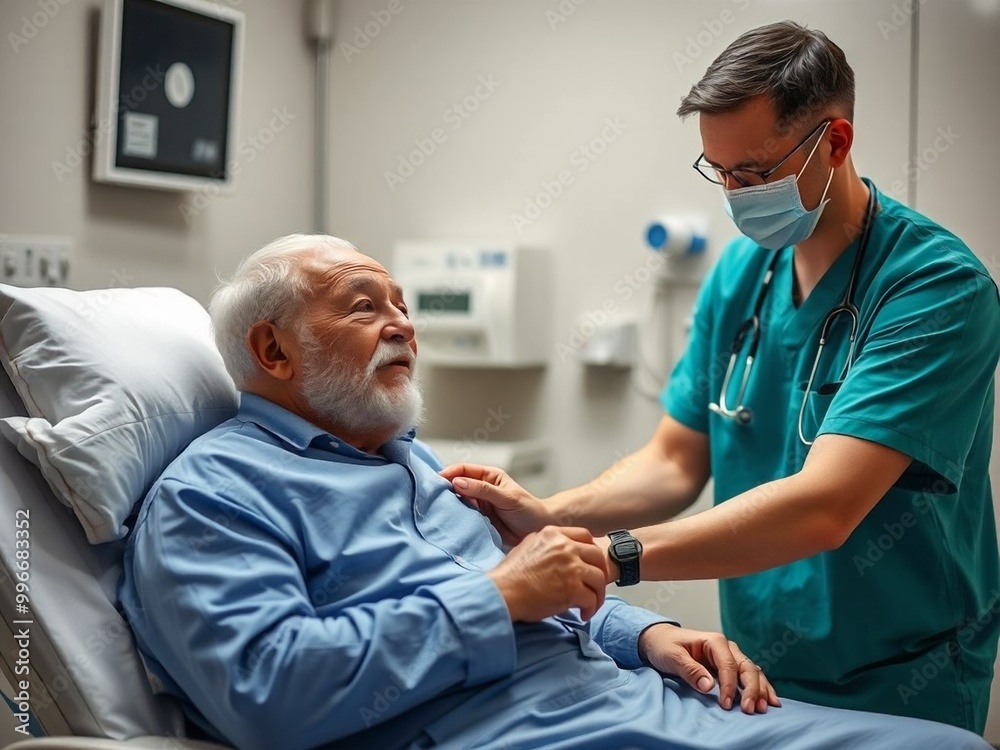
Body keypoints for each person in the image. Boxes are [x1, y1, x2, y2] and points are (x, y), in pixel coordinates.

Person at [118, 235, 990, 750]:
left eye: (403, 303)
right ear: (273, 353)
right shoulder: (214, 498)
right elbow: (267, 692)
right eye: (362, 306)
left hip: (630, 699)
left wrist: (643, 631)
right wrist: (496, 595)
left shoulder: (409, 463)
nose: (403, 325)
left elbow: (536, 598)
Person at [442, 21, 1000, 735]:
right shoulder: (741, 274)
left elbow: (824, 507)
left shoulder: (935, 289)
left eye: (756, 173)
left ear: (834, 143)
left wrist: (614, 558)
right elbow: (675, 460)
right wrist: (553, 514)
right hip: (758, 667)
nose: (737, 196)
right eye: (721, 174)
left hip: (898, 674)